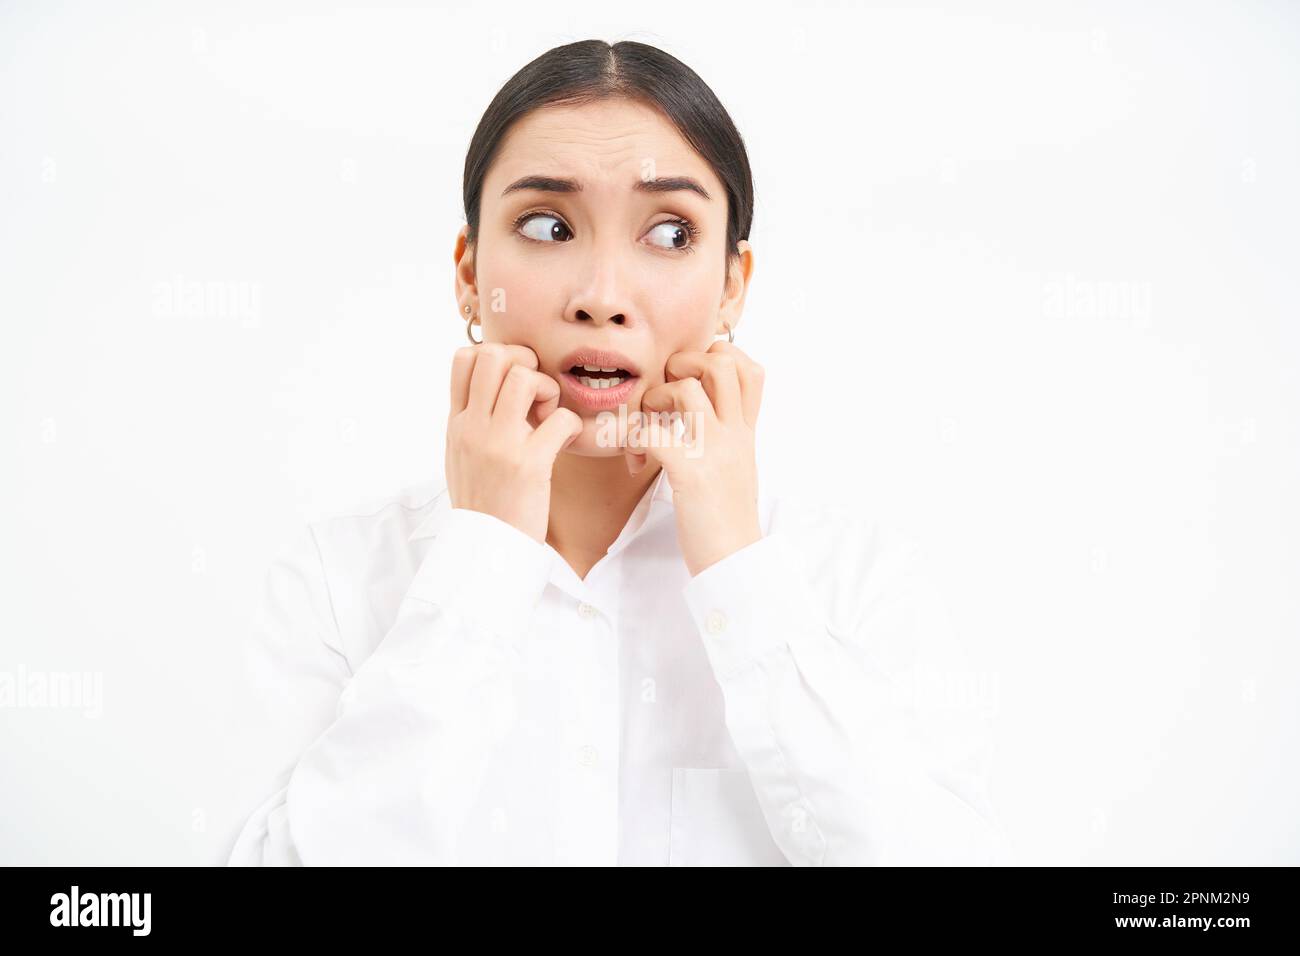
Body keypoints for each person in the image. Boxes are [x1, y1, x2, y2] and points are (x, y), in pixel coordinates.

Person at [224, 38, 1013, 866]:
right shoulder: (340, 580)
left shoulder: (852, 582)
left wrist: (738, 571)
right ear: (468, 272)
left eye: (670, 234)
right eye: (547, 225)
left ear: (732, 285)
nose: (601, 297)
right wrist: (481, 563)